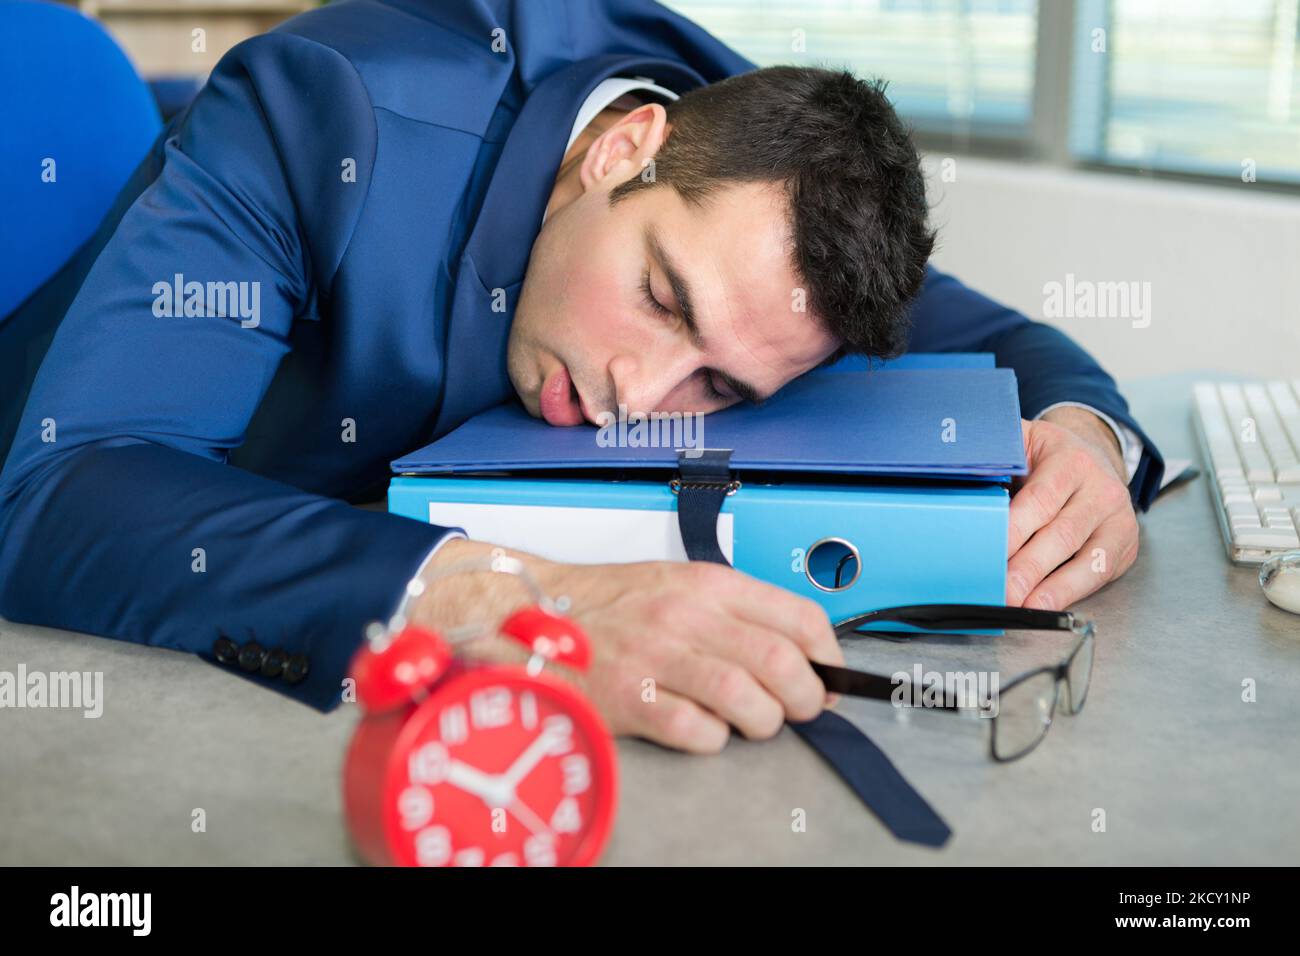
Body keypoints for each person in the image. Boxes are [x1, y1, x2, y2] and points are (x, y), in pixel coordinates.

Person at [0, 0, 1162, 753]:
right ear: (620, 152)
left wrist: (1090, 436)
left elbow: (1000, 337)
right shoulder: (320, 115)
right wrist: (522, 597)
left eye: (721, 386)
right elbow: (68, 486)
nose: (635, 396)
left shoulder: (751, 173)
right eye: (663, 302)